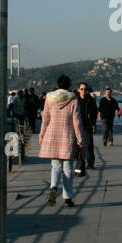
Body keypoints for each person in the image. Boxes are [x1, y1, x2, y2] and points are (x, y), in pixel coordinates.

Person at [38, 74, 83, 207]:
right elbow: (77, 122)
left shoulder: (49, 99)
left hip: (52, 136)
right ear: (68, 86)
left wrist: (42, 135)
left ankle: (53, 186)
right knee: (68, 169)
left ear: (57, 85)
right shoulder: (73, 100)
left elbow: (45, 118)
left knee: (55, 166)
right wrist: (80, 140)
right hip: (67, 136)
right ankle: (68, 198)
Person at [73, 82, 97, 173]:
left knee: (89, 145)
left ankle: (90, 164)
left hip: (87, 125)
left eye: (85, 89)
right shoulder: (75, 100)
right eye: (82, 89)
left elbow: (94, 111)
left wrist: (93, 123)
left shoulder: (90, 100)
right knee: (77, 146)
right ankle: (79, 162)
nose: (83, 91)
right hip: (77, 125)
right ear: (78, 90)